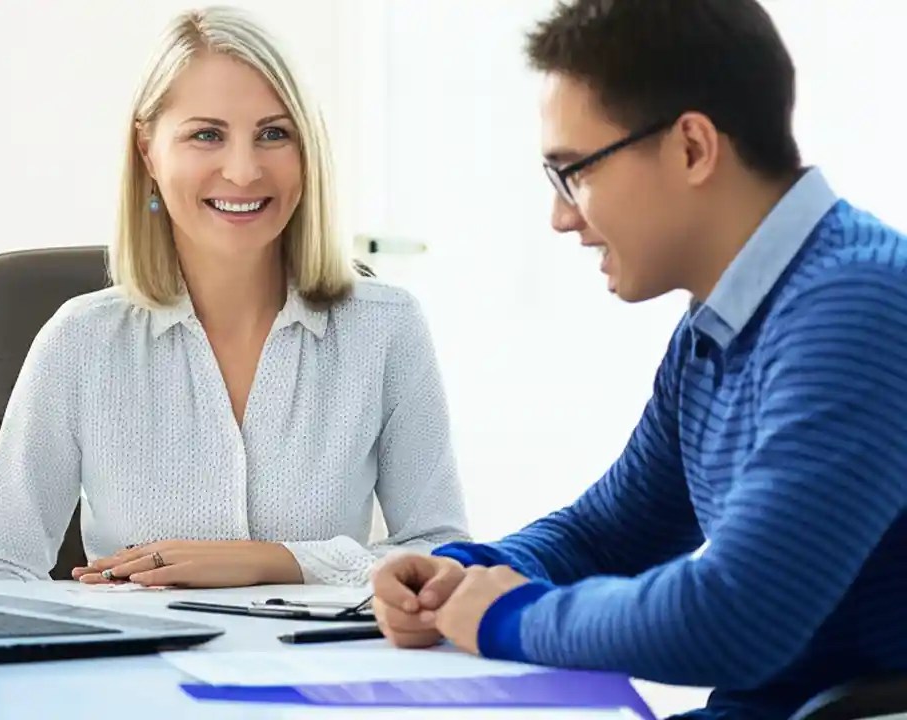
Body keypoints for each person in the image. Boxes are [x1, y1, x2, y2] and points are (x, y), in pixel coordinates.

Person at [370, 0, 907, 717]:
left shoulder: (860, 306)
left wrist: (506, 617)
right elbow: (609, 535)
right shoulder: (720, 326)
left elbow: (734, 617)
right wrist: (465, 574)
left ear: (692, 148)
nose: (562, 216)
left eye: (574, 172)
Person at [0, 6, 469, 589]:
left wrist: (279, 561)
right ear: (148, 151)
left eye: (274, 134)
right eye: (206, 135)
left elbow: (444, 555)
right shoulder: (79, 341)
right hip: (141, 649)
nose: (243, 170)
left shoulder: (386, 327)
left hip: (308, 649)